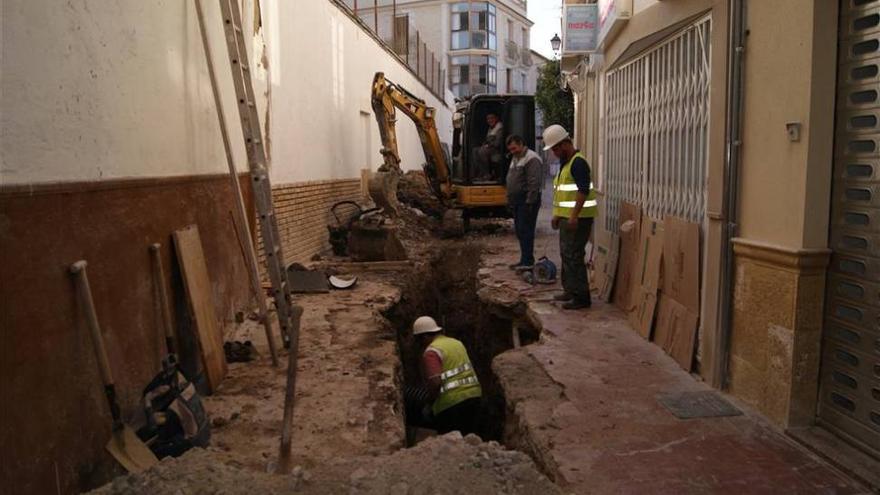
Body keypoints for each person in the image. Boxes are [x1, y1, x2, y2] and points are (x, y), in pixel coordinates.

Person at [542, 124, 597, 310]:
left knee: (574, 255)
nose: (554, 153)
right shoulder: (566, 164)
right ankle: (570, 290)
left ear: (565, 144)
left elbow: (583, 190)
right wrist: (557, 215)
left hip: (578, 219)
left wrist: (574, 216)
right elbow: (563, 194)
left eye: (555, 149)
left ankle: (581, 297)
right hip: (567, 218)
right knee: (566, 254)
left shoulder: (578, 163)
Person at [412, 315, 482, 435]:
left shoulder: (432, 352)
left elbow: (436, 383)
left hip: (451, 404)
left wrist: (429, 404)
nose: (420, 344)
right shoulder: (457, 343)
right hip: (474, 396)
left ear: (424, 336)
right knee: (470, 439)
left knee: (452, 443)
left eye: (419, 340)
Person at [505, 135, 543, 270]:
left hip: (526, 201)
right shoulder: (516, 158)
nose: (512, 151)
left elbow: (534, 183)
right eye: (510, 149)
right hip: (517, 200)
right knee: (520, 231)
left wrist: (529, 203)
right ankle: (524, 259)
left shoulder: (531, 158)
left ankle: (528, 262)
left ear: (521, 144)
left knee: (526, 230)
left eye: (514, 148)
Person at [476, 113, 504, 180]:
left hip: (497, 150)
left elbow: (497, 143)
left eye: (492, 118)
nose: (490, 120)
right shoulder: (490, 128)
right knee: (475, 150)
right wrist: (484, 144)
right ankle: (481, 172)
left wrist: (488, 145)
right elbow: (487, 140)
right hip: (490, 148)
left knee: (482, 151)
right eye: (488, 119)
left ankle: (487, 174)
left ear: (496, 118)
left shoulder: (500, 128)